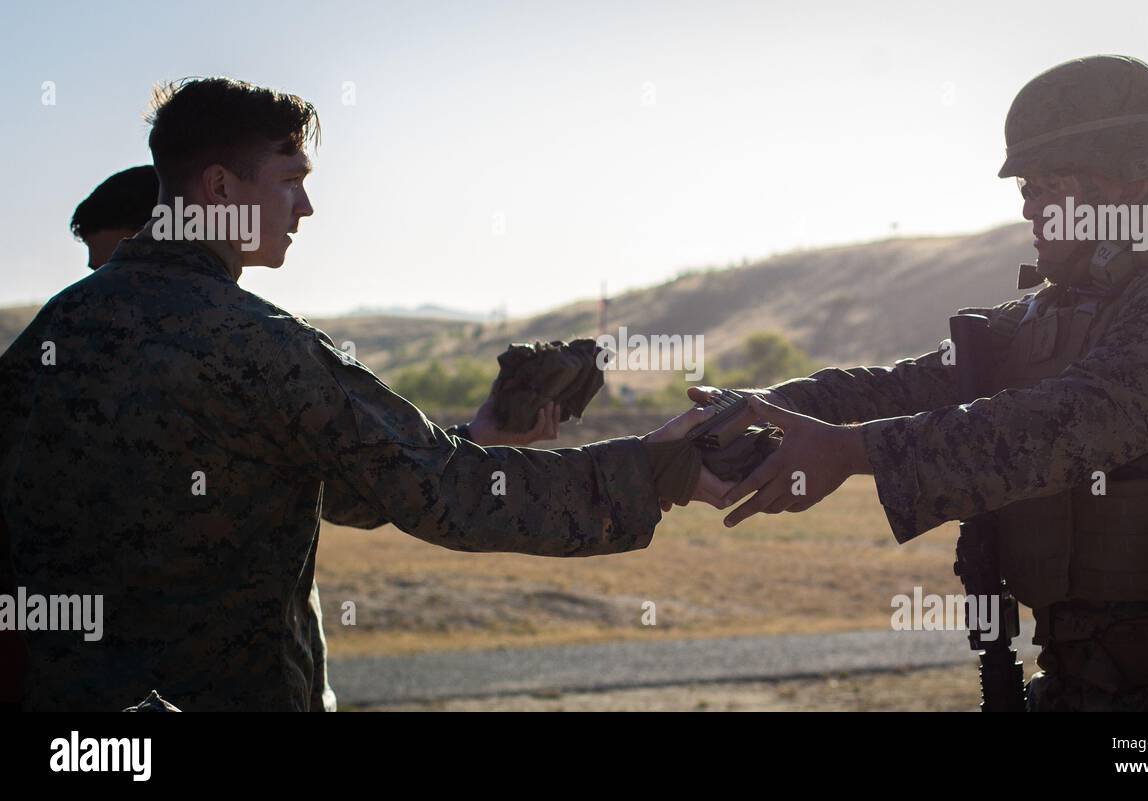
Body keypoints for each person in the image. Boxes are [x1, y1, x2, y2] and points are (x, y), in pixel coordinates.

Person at [0, 77, 727, 711]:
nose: (307, 206)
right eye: (290, 178)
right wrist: (661, 467)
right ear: (220, 189)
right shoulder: (258, 343)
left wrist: (476, 439)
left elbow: (326, 480)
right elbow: (448, 495)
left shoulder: (53, 330)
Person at [703, 55, 1148, 711]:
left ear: (1134, 181)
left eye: (1052, 186)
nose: (1031, 210)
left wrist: (850, 452)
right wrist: (762, 409)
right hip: (1080, 688)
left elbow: (1054, 426)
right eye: (1026, 190)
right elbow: (908, 388)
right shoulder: (1054, 313)